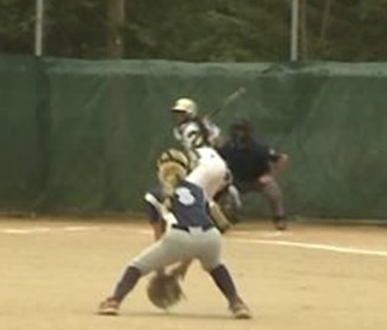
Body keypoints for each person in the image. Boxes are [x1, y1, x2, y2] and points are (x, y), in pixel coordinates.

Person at [97, 148, 252, 319]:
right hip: (211, 236)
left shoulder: (154, 194)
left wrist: (160, 270)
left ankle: (113, 302)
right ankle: (237, 304)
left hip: (178, 237)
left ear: (160, 170)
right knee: (216, 267)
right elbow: (215, 225)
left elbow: (159, 234)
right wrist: (182, 268)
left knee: (136, 266)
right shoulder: (198, 190)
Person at [218, 118, 290, 230]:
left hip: (257, 180)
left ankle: (279, 218)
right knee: (218, 192)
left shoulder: (259, 148)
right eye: (236, 130)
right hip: (236, 181)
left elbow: (282, 158)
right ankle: (223, 219)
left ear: (248, 132)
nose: (237, 134)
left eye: (241, 131)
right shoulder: (228, 147)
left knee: (273, 191)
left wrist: (270, 176)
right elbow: (216, 158)